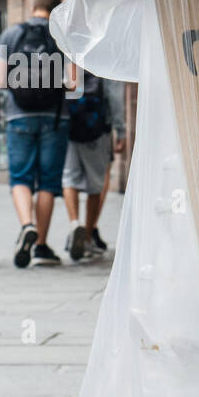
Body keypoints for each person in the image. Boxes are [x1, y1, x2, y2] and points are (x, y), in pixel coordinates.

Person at [0, 0, 77, 267]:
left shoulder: (11, 34)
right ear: (57, 11)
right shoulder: (64, 35)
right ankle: (41, 244)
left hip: (18, 115)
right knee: (48, 182)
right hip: (55, 117)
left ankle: (26, 225)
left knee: (20, 178)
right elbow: (73, 85)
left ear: (33, 7)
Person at [63, 75, 126, 260]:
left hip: (71, 122)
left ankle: (75, 222)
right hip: (97, 125)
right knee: (96, 184)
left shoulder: (69, 50)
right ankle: (88, 238)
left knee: (69, 178)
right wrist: (120, 129)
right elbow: (114, 94)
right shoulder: (105, 52)